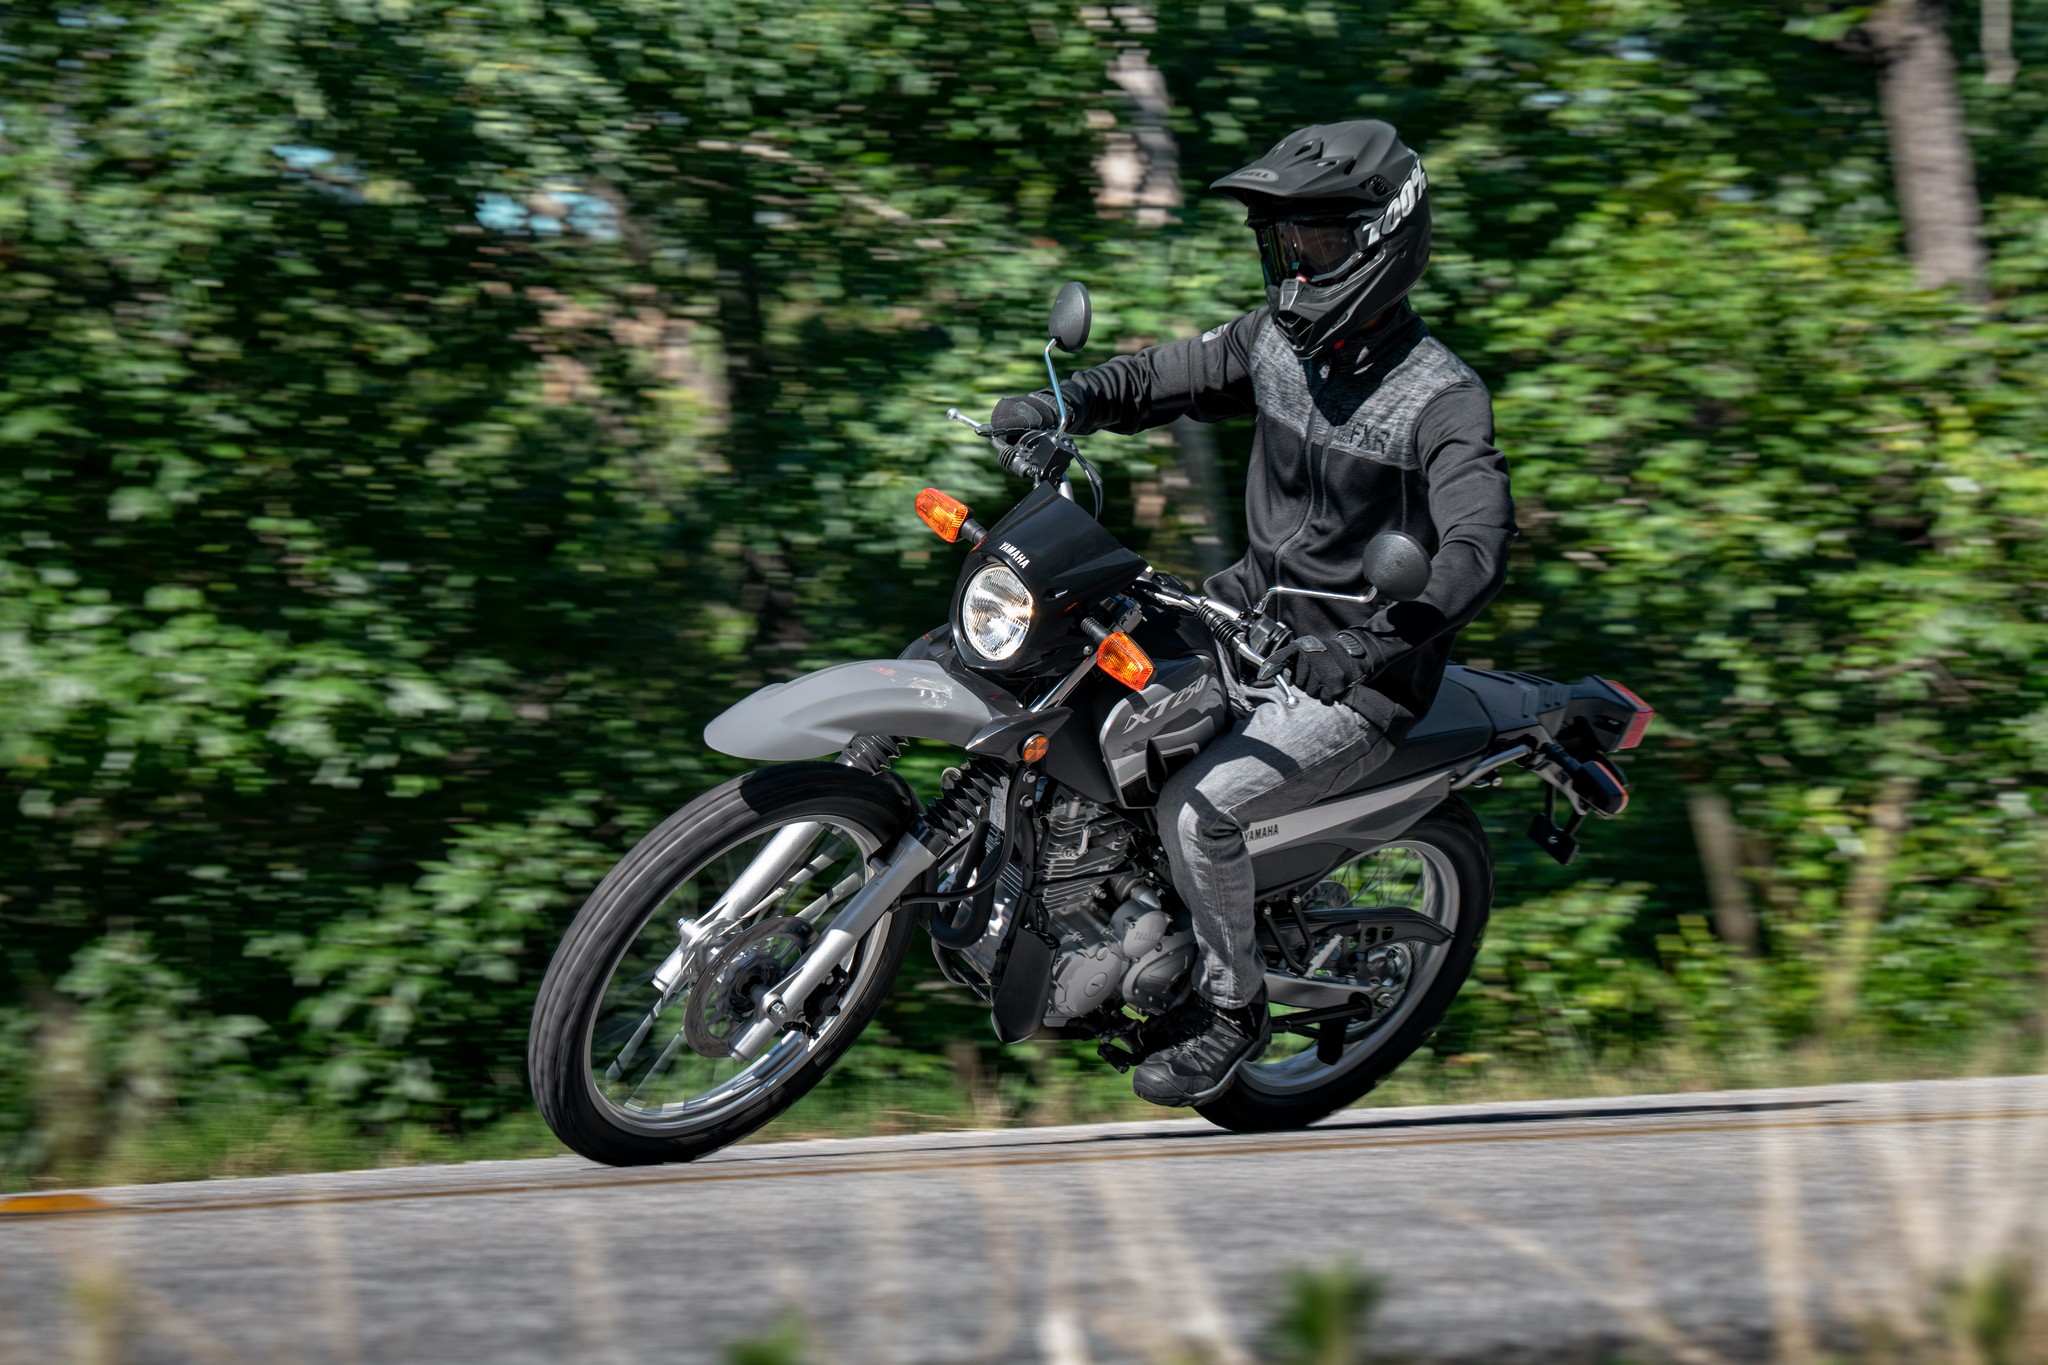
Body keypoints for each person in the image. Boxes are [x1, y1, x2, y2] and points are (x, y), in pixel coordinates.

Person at [988, 119, 1517, 1107]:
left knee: (1201, 812)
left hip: (1355, 679)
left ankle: (1228, 1010)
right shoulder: (1273, 344)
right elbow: (1160, 379)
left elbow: (1474, 548)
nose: (1290, 266)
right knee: (1060, 689)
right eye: (1278, 245)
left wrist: (1369, 647)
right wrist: (1062, 406)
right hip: (1236, 618)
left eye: (1311, 245)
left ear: (1378, 240)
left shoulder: (1442, 399)